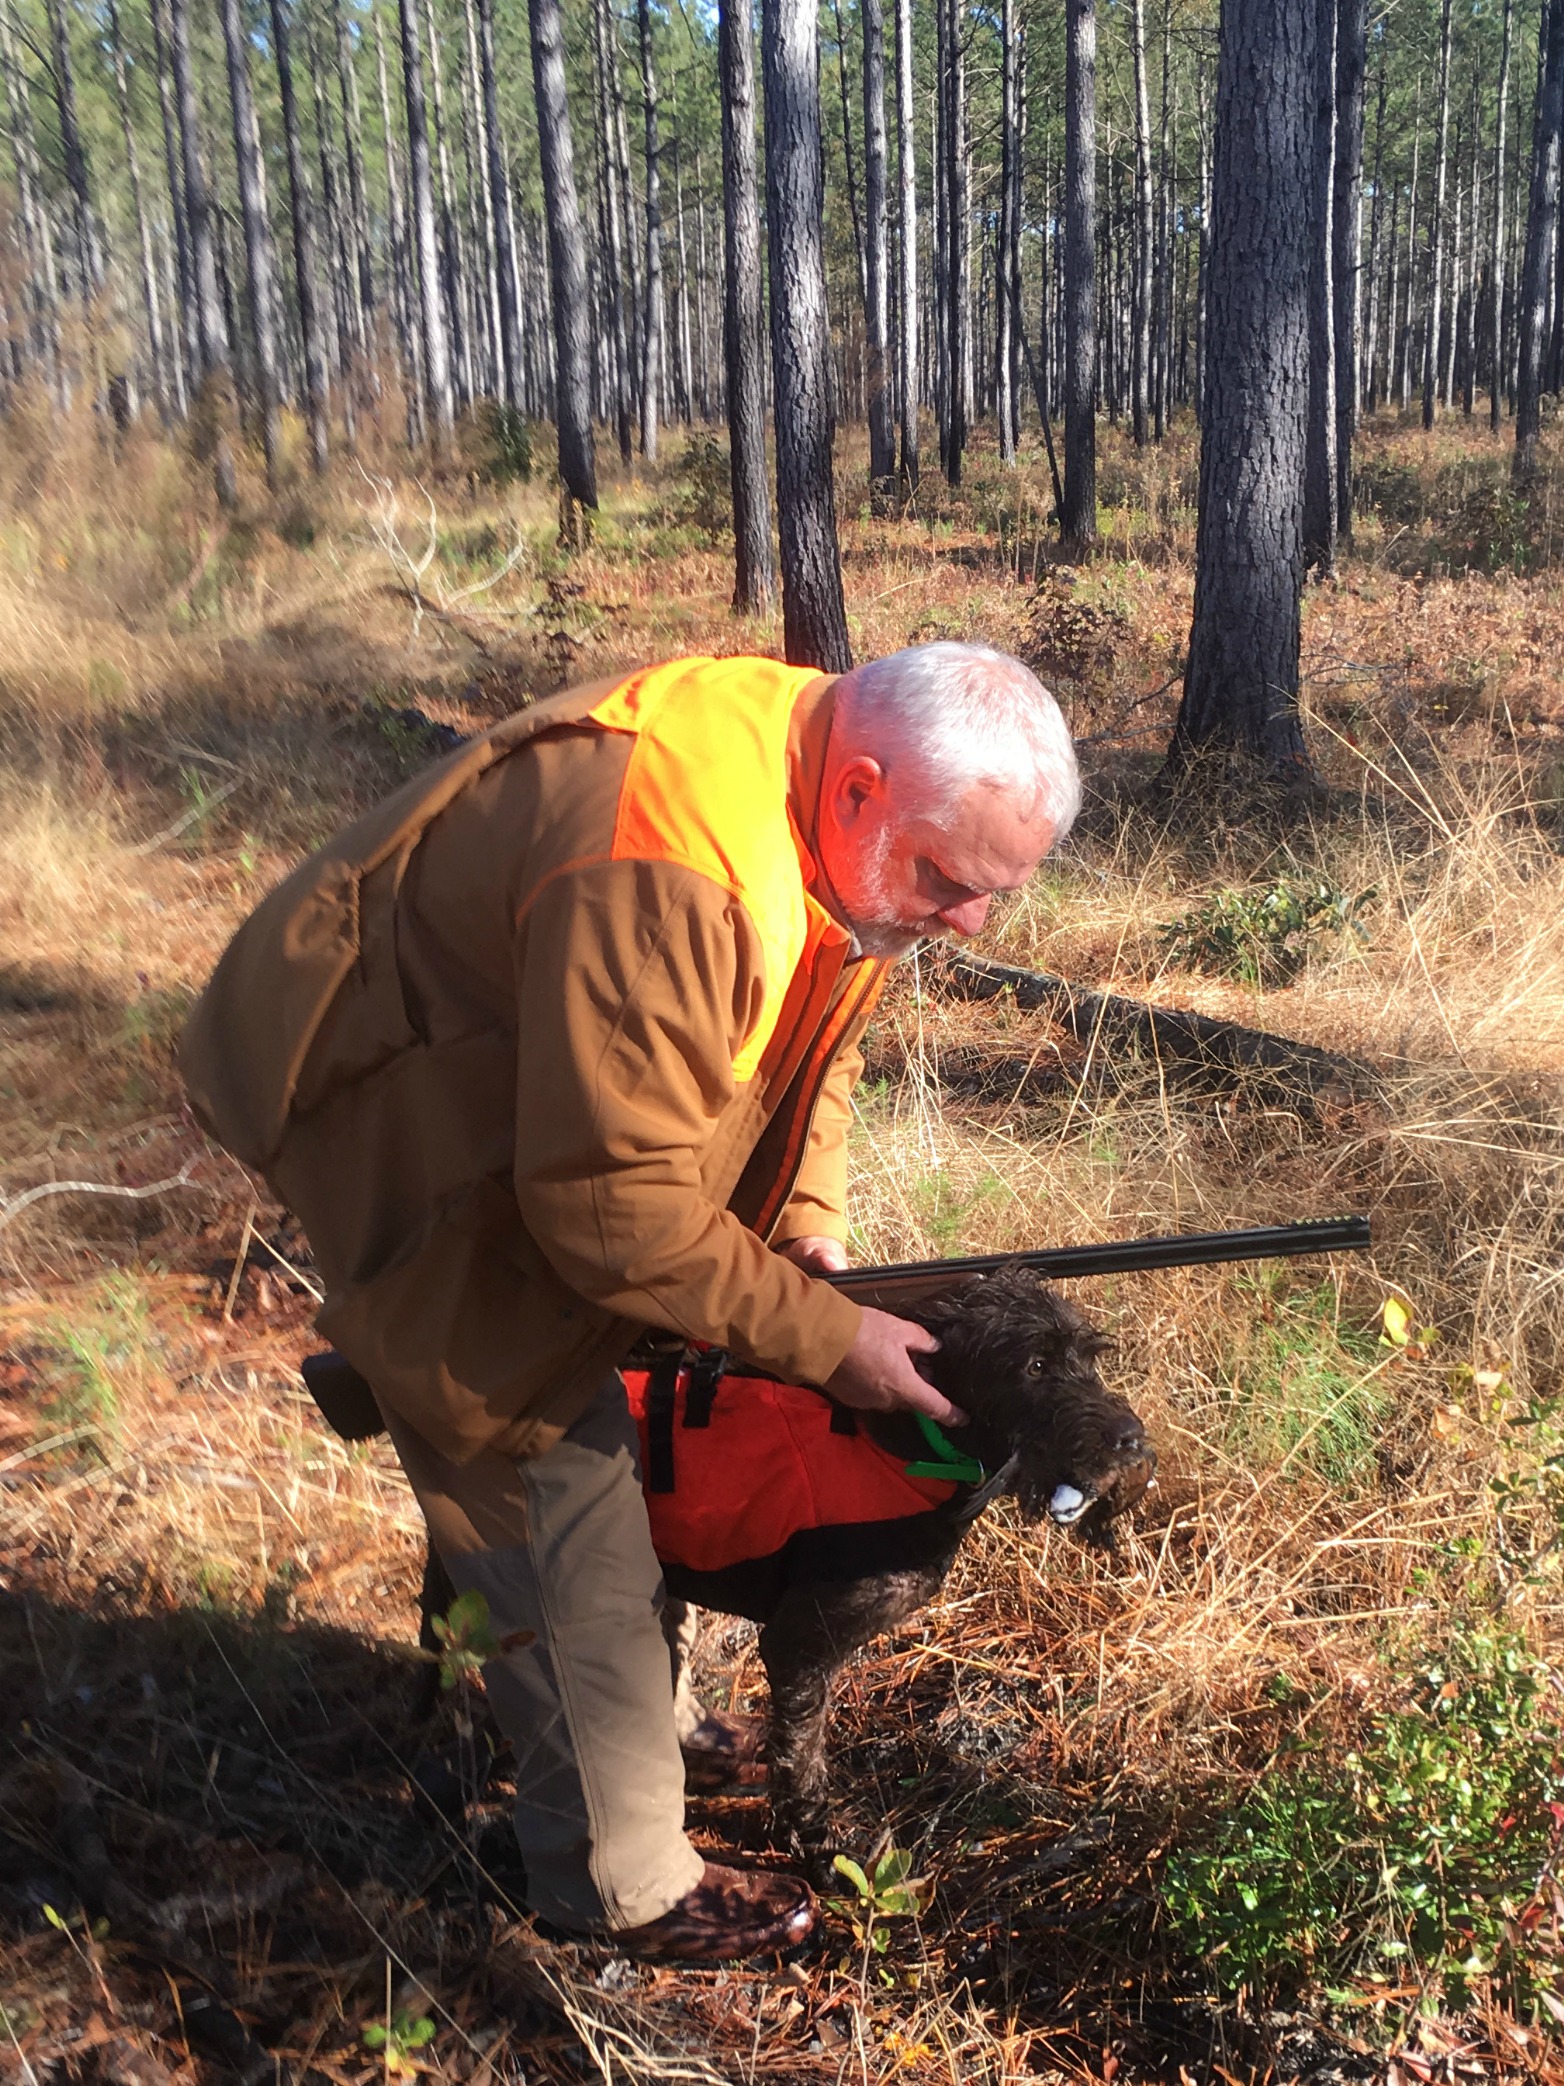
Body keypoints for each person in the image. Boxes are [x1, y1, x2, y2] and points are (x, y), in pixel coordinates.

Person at [179, 642, 1080, 1964]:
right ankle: (620, 1876)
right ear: (862, 790)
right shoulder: (678, 862)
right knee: (535, 1441)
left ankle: (626, 1710)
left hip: (526, 1063)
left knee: (614, 1369)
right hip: (371, 1070)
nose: (969, 923)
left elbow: (818, 1035)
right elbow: (606, 1210)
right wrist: (832, 1345)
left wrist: (806, 1225)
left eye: (995, 892)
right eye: (952, 882)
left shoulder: (840, 804)